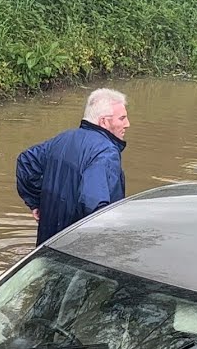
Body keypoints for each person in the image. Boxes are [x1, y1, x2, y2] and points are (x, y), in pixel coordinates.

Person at [15, 88, 129, 245]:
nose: (127, 124)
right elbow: (95, 205)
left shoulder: (62, 139)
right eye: (122, 118)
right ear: (104, 121)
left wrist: (36, 203)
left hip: (48, 242)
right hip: (78, 249)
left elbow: (27, 161)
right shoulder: (105, 152)